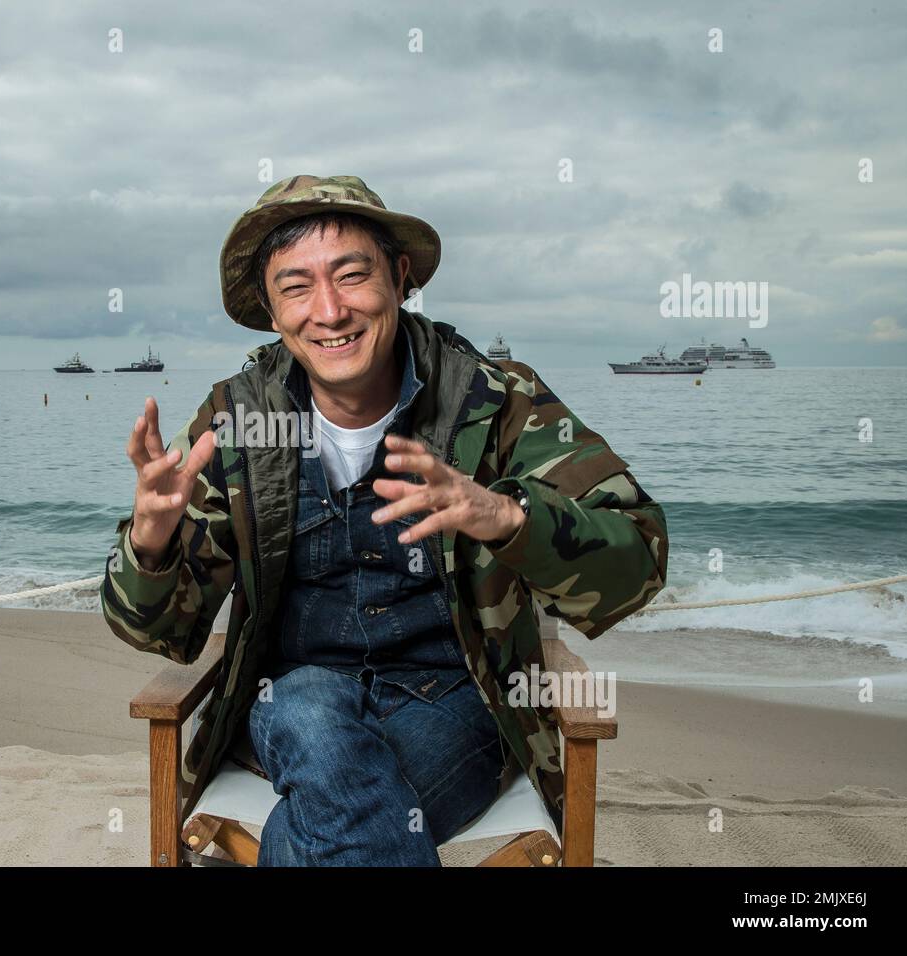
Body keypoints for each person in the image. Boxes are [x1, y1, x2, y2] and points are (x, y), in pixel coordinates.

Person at [100, 174, 669, 865]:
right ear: (272, 311)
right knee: (309, 703)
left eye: (351, 276)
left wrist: (506, 517)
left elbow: (637, 563)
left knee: (323, 826)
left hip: (458, 707)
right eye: (297, 287)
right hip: (288, 702)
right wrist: (150, 543)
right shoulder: (240, 418)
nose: (330, 310)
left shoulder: (494, 401)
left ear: (399, 278)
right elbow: (161, 633)